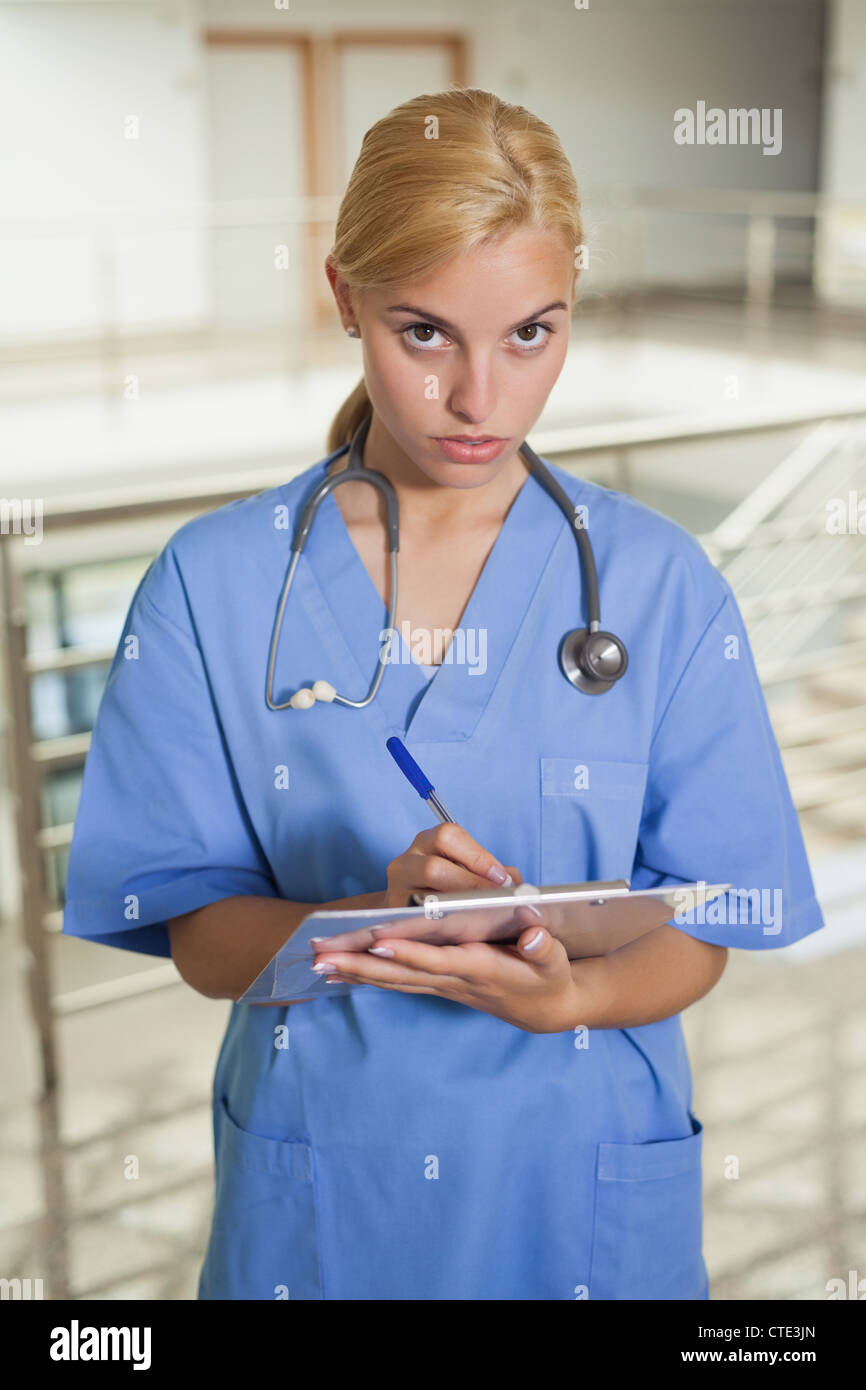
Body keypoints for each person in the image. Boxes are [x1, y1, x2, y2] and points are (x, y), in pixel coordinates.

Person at [63, 87, 824, 1301]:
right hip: (325, 1192)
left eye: (531, 333)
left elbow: (708, 920)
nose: (481, 400)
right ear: (344, 299)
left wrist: (572, 991)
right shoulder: (213, 585)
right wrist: (367, 914)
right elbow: (201, 935)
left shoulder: (658, 584)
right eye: (424, 334)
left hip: (580, 1183)